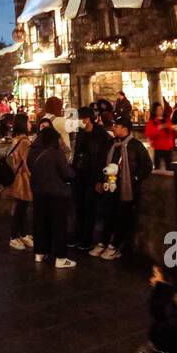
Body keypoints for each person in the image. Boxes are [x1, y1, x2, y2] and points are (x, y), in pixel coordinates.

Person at [95, 115, 152, 260]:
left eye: (116, 126)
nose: (113, 128)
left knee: (122, 217)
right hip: (111, 187)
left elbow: (147, 166)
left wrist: (134, 178)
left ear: (125, 129)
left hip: (127, 189)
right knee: (108, 215)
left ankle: (114, 246)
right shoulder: (112, 145)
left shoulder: (135, 145)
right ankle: (103, 242)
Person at [28, 124, 76, 267]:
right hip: (56, 194)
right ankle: (60, 258)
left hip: (38, 192)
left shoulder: (32, 151)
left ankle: (40, 253)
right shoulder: (55, 152)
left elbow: (30, 167)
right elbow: (67, 173)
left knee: (40, 223)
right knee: (58, 225)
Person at [71, 106, 109, 250]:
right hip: (80, 175)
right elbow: (76, 154)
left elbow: (102, 158)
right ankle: (78, 235)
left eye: (82, 118)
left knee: (90, 207)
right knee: (79, 207)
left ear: (88, 119)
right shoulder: (80, 134)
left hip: (93, 175)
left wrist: (100, 179)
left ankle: (87, 239)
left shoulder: (100, 134)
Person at [3, 113, 34, 250]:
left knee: (20, 207)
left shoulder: (16, 139)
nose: (30, 124)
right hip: (23, 179)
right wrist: (33, 176)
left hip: (17, 178)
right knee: (21, 208)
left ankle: (23, 233)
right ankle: (14, 236)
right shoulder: (25, 142)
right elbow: (27, 163)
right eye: (28, 122)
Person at [144, 103, 177, 170]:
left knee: (169, 167)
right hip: (158, 147)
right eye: (158, 109)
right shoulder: (152, 122)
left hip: (168, 147)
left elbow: (172, 133)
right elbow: (149, 133)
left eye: (161, 109)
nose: (160, 111)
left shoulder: (167, 120)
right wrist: (159, 128)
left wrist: (176, 130)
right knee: (157, 167)